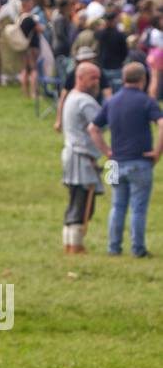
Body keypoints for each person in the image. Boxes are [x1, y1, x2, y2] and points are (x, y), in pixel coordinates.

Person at [88, 61, 163, 256]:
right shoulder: (147, 101)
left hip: (115, 162)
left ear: (123, 79)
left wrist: (107, 150)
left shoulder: (111, 102)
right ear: (143, 80)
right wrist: (157, 152)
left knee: (117, 205)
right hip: (139, 161)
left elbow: (93, 128)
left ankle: (114, 247)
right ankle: (138, 249)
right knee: (138, 208)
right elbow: (162, 124)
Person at [61, 61, 105, 254]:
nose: (96, 82)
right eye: (92, 78)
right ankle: (75, 245)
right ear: (80, 78)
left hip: (72, 153)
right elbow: (99, 124)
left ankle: (70, 242)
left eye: (98, 78)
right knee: (82, 201)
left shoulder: (71, 96)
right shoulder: (84, 101)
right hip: (81, 156)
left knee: (75, 199)